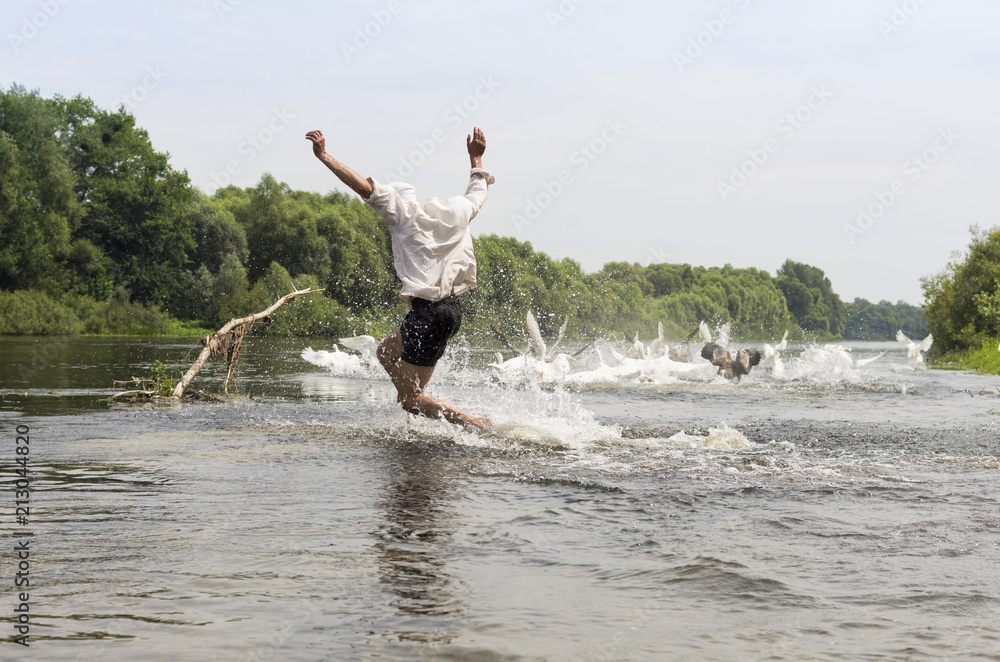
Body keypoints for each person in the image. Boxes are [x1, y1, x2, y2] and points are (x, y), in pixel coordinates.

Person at [305, 127, 494, 429]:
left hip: (428, 314)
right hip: (450, 310)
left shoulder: (403, 216)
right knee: (383, 351)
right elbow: (478, 192)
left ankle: (475, 423)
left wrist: (324, 156)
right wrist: (476, 159)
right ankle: (420, 411)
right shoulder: (455, 213)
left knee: (410, 400)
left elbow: (363, 187)